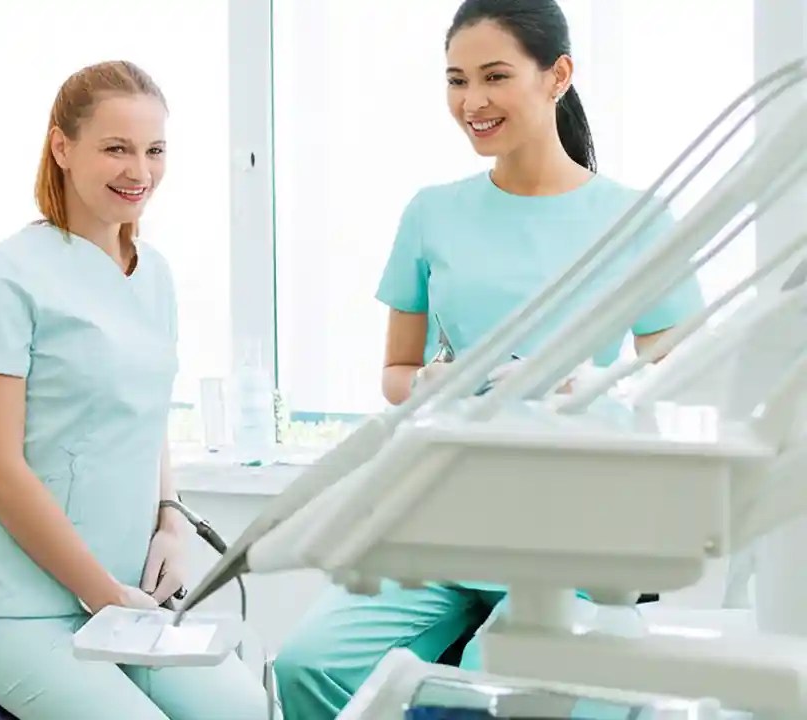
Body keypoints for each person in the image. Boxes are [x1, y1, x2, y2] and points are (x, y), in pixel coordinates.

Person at [272, 1, 706, 717]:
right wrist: (433, 384)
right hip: (439, 516)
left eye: (495, 76)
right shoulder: (432, 213)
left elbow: (680, 375)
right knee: (304, 664)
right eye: (456, 80)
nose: (472, 102)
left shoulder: (635, 221)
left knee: (486, 693)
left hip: (562, 532)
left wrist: (589, 384)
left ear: (557, 75)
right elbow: (395, 375)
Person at [0, 60, 268, 719]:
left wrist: (171, 522)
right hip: (24, 613)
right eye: (116, 149)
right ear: (62, 148)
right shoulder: (6, 276)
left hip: (131, 602)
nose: (139, 171)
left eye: (154, 151)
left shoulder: (154, 276)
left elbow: (145, 418)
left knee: (247, 710)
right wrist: (101, 594)